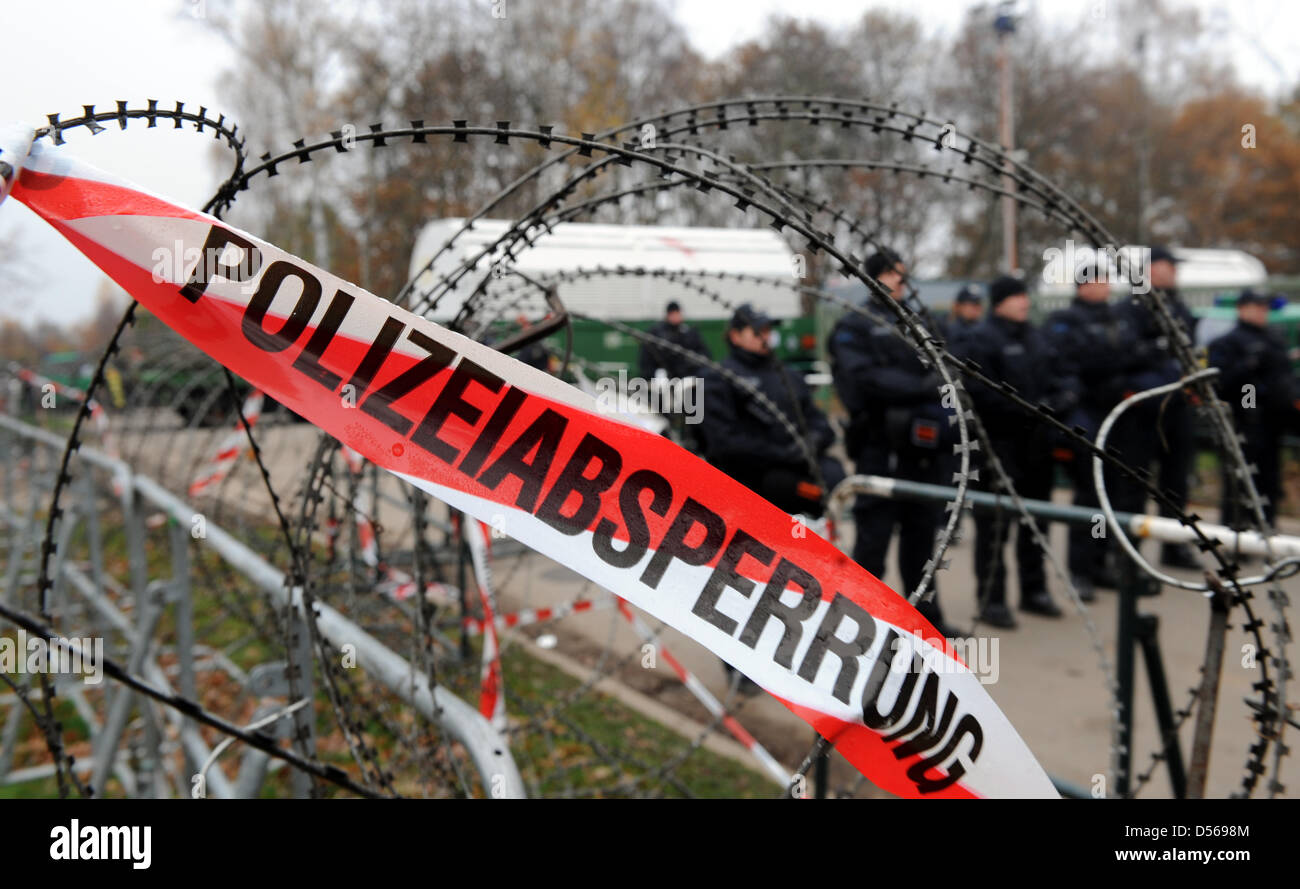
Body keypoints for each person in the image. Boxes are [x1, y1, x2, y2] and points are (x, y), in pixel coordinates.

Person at [828, 249, 959, 638]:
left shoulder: (920, 322)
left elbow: (947, 371)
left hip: (921, 453)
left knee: (922, 543)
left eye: (902, 274)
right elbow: (862, 383)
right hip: (879, 448)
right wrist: (919, 387)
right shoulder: (855, 327)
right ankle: (860, 626)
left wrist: (921, 391)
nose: (901, 281)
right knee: (873, 542)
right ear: (875, 278)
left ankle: (927, 624)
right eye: (892, 274)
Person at [955, 276, 1066, 627]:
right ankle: (992, 599)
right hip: (998, 445)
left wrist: (1056, 403)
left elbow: (1061, 378)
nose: (1024, 302)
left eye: (1025, 295)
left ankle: (1034, 591)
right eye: (1016, 296)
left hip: (1037, 446)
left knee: (1035, 523)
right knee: (995, 526)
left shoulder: (1036, 337)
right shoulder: (981, 340)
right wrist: (1027, 409)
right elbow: (980, 393)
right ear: (999, 301)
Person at [1044, 259, 1147, 601]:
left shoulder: (1118, 318)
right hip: (1086, 414)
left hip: (1119, 415)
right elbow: (1078, 363)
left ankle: (1101, 562)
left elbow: (1134, 354)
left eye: (1107, 281)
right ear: (1083, 286)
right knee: (1089, 495)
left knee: (1116, 493)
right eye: (1100, 281)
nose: (1106, 287)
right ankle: (1081, 569)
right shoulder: (1065, 321)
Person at [700, 303, 845, 519]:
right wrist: (780, 454)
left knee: (833, 475)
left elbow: (820, 423)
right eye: (757, 332)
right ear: (735, 336)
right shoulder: (719, 378)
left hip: (800, 469)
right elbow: (723, 442)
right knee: (785, 486)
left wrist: (809, 444)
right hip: (754, 482)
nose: (765, 337)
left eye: (768, 330)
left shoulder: (789, 376)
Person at [1119, 246, 1200, 569]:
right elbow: (1128, 352)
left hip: (1176, 406)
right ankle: (1129, 550)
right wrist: (1160, 355)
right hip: (1142, 407)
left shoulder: (1178, 306)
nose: (1173, 273)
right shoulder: (1131, 307)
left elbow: (1189, 348)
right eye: (1168, 266)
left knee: (1176, 479)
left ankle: (1174, 545)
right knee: (1135, 480)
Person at [1208, 289, 1300, 528]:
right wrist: (1247, 365)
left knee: (1268, 477)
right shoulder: (1228, 342)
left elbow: (1283, 378)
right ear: (1242, 308)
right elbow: (1222, 382)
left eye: (1265, 308)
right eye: (1257, 307)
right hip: (1245, 419)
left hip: (1273, 420)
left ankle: (1266, 524)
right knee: (1240, 477)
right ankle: (1236, 526)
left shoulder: (1273, 339)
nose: (1262, 312)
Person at [639, 301, 712, 381]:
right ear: (667, 315)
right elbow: (646, 360)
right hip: (663, 377)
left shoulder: (689, 333)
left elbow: (705, 354)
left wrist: (691, 364)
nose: (675, 317)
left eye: (677, 313)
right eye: (672, 314)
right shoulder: (656, 334)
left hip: (687, 376)